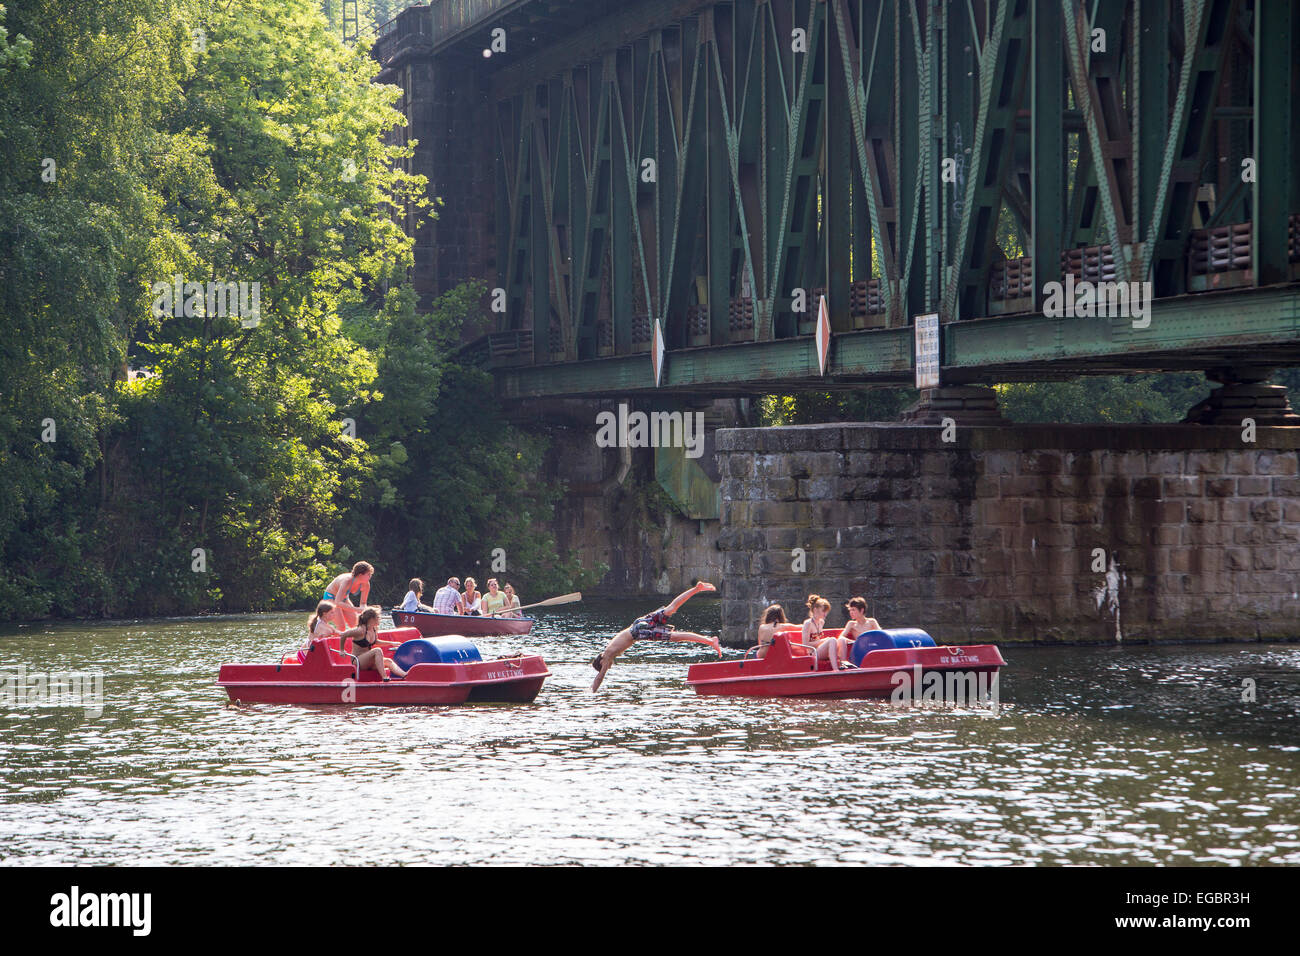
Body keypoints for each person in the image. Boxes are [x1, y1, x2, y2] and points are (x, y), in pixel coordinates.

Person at [591, 581, 721, 692]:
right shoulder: (608, 650)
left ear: (601, 662)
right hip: (637, 624)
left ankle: (710, 641)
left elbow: (600, 677)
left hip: (639, 632)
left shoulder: (606, 656)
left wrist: (591, 691)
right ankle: (696, 589)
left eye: (605, 666)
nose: (608, 666)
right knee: (671, 608)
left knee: (675, 636)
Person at [338, 608, 408, 681]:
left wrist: (391, 643)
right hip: (358, 661)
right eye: (377, 617)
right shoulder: (360, 630)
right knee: (377, 650)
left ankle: (405, 675)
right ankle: (384, 677)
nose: (379, 619)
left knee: (388, 661)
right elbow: (344, 635)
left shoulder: (374, 629)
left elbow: (376, 642)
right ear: (371, 619)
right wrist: (341, 650)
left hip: (369, 661)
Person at [802, 594, 851, 670]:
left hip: (820, 650)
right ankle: (836, 669)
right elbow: (805, 644)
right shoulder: (808, 623)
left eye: (826, 611)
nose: (826, 614)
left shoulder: (821, 622)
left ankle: (843, 665)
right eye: (823, 611)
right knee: (832, 640)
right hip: (813, 653)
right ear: (815, 610)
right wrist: (823, 640)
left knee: (842, 640)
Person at [323, 561, 375, 630]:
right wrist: (357, 609)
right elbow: (337, 602)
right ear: (360, 575)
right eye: (368, 574)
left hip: (344, 599)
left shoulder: (366, 584)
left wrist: (363, 610)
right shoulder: (347, 581)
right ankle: (334, 637)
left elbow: (363, 603)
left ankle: (355, 639)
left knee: (356, 624)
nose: (370, 576)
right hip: (331, 597)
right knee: (341, 627)